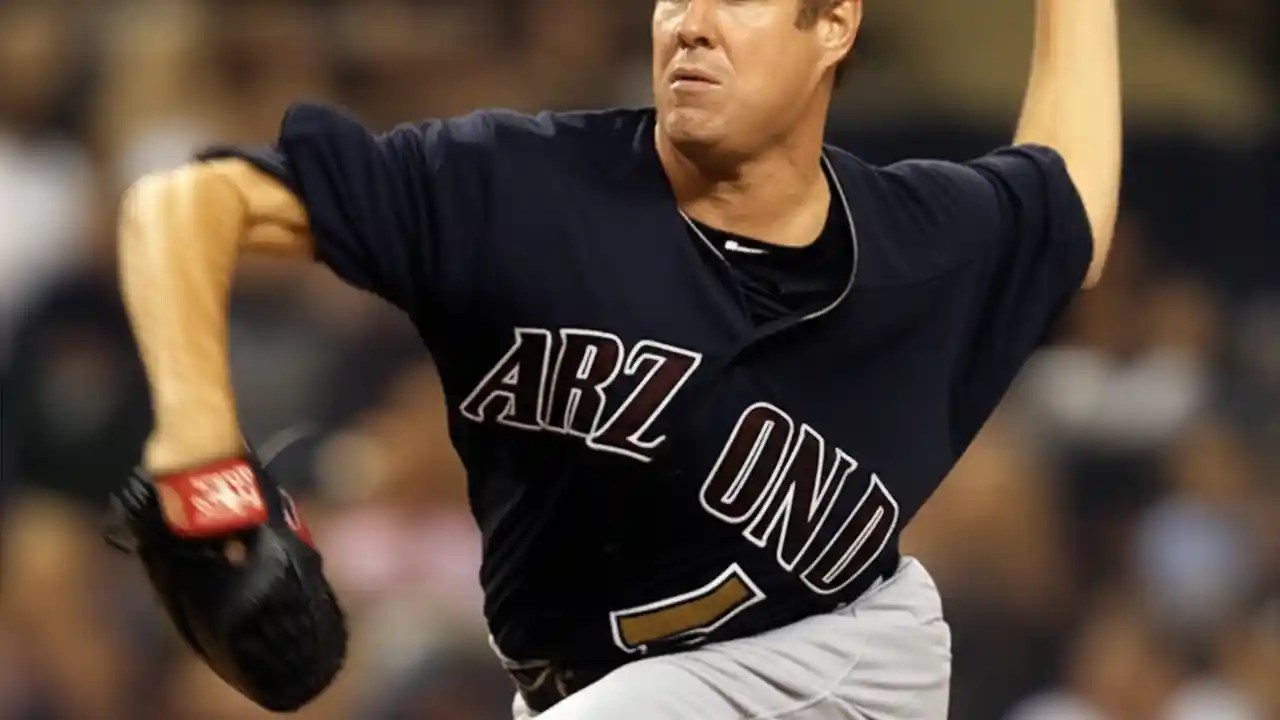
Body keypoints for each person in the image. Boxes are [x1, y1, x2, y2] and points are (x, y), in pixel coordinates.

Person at [109, 0, 1122, 717]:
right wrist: (194, 431)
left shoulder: (919, 245)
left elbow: (1068, 193)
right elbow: (186, 202)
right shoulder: (515, 191)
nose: (688, 20)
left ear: (833, 25)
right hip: (581, 685)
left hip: (823, 666)